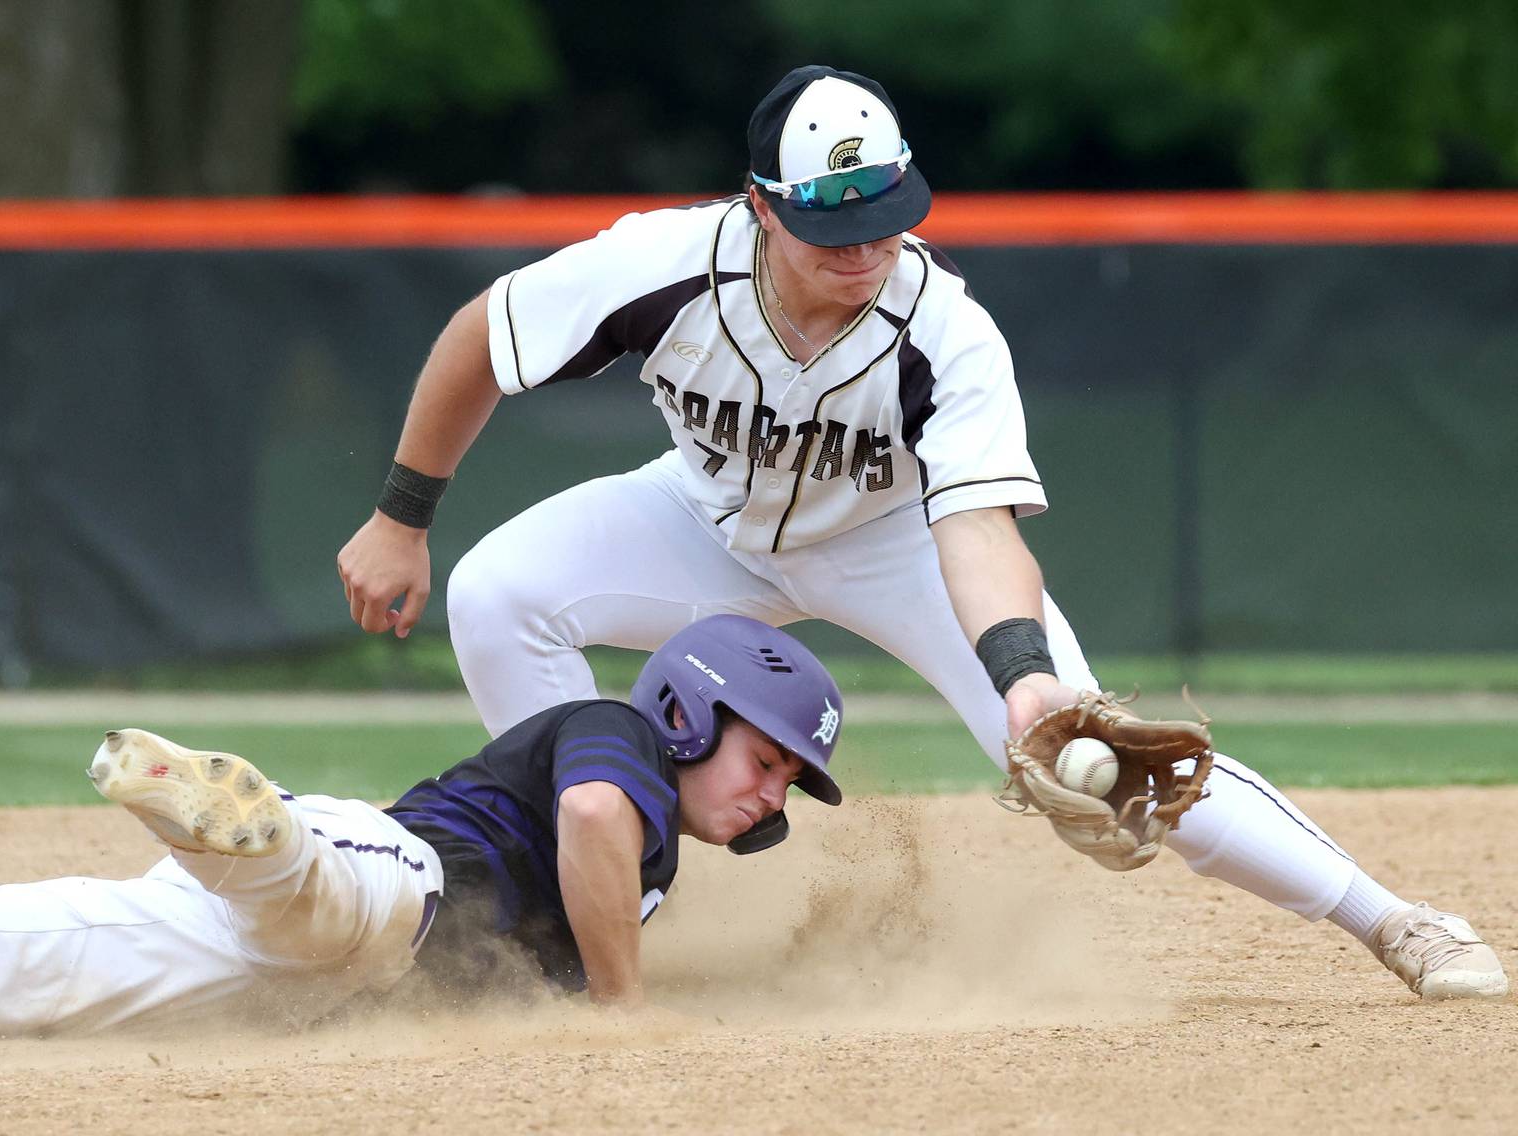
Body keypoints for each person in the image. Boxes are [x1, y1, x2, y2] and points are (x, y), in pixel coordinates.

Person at [335, 65, 1507, 1000]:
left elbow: (978, 530)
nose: (861, 253)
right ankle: (601, 892)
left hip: (894, 540)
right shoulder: (662, 264)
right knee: (497, 592)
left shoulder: (942, 333)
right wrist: (401, 516)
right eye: (830, 229)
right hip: (696, 516)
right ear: (759, 208)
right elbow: (481, 339)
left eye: (883, 223)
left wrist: (1026, 680)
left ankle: (1392, 917)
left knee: (1096, 762)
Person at [0, 615, 843, 1038]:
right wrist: (625, 1008)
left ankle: (232, 840)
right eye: (766, 762)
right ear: (687, 713)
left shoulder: (653, 863)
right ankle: (254, 828)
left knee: (1, 967)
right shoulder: (621, 736)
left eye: (789, 782)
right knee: (337, 898)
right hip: (403, 879)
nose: (771, 797)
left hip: (293, 986)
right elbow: (593, 810)